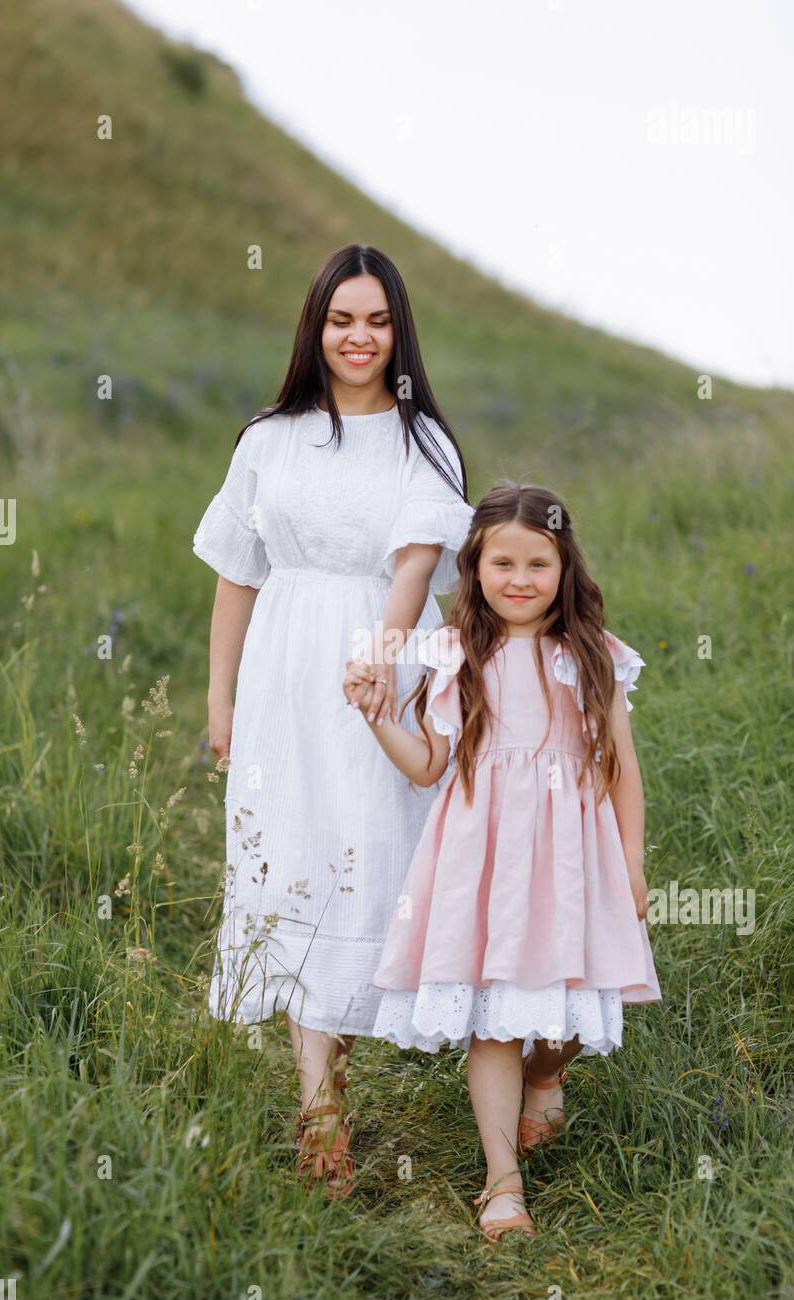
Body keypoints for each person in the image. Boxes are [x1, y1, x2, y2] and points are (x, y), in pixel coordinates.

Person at [193, 244, 474, 1197]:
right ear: (317, 326)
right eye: (343, 319)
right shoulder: (268, 439)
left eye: (378, 320)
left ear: (400, 332)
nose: (360, 337)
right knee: (296, 860)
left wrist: (384, 656)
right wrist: (220, 696)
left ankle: (519, 1067)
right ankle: (321, 1112)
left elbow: (413, 564)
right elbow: (238, 573)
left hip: (377, 666)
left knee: (375, 864)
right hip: (281, 668)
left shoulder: (420, 441)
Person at [343, 481, 661, 1240]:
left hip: (572, 856)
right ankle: (501, 1183)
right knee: (494, 1018)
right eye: (502, 564)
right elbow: (428, 767)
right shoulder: (458, 654)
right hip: (482, 856)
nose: (519, 580)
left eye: (538, 564)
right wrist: (378, 718)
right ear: (474, 570)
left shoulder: (592, 656)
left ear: (564, 566)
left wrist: (633, 857)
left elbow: (621, 767)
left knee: (571, 1006)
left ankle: (546, 1075)